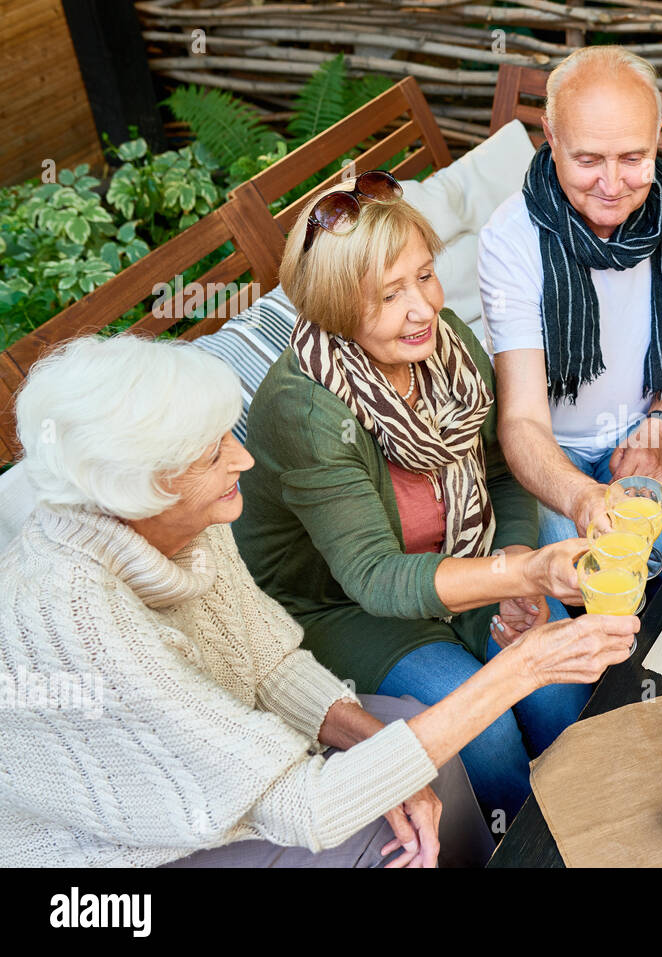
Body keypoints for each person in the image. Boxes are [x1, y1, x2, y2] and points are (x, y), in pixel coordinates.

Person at [0, 334, 636, 867]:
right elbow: (301, 804)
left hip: (235, 741)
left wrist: (378, 745)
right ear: (145, 483)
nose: (244, 458)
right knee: (384, 838)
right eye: (213, 451)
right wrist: (522, 668)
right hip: (128, 844)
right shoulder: (76, 618)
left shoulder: (183, 519)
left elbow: (272, 666)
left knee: (421, 754)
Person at [233, 172, 599, 821]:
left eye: (426, 276)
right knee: (484, 736)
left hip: (463, 550)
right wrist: (516, 571)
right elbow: (374, 578)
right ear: (338, 305)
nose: (423, 308)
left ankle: (592, 816)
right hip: (340, 605)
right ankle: (525, 839)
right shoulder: (307, 409)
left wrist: (513, 560)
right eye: (389, 294)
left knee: (561, 694)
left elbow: (500, 469)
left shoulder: (447, 342)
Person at [479, 46, 662, 561]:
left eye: (634, 158)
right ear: (551, 137)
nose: (613, 185)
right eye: (589, 159)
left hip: (644, 429)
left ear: (658, 132)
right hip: (553, 455)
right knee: (606, 562)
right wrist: (582, 497)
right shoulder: (511, 239)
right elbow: (522, 422)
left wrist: (661, 424)